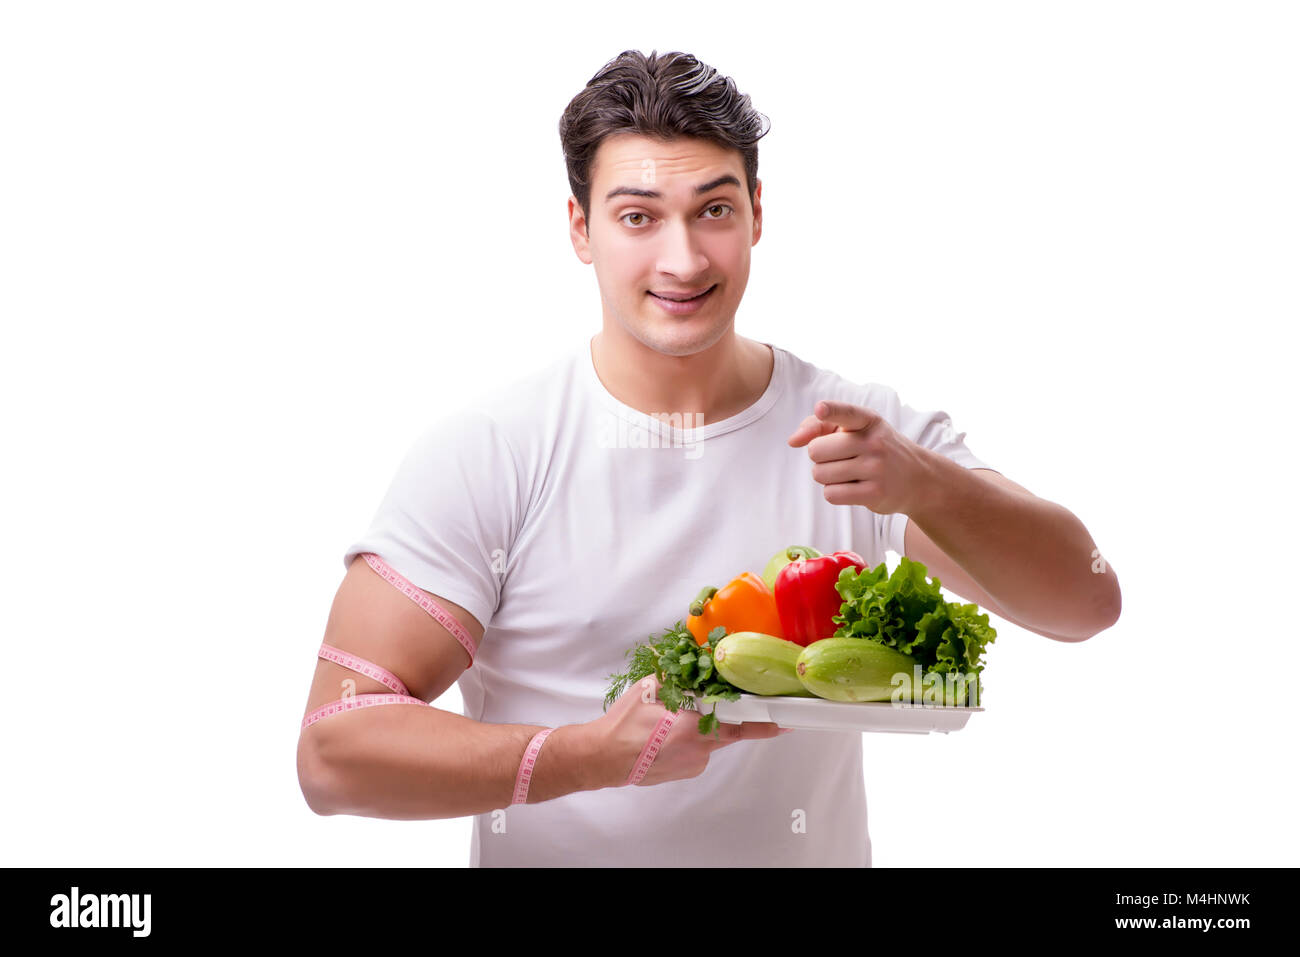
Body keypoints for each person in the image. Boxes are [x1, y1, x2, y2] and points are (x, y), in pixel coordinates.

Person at [295, 49, 1122, 867]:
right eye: (638, 216)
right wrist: (588, 754)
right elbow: (333, 751)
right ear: (581, 228)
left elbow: (1084, 601)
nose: (684, 260)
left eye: (714, 211)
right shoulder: (494, 452)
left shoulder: (857, 435)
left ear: (758, 213)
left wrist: (926, 483)